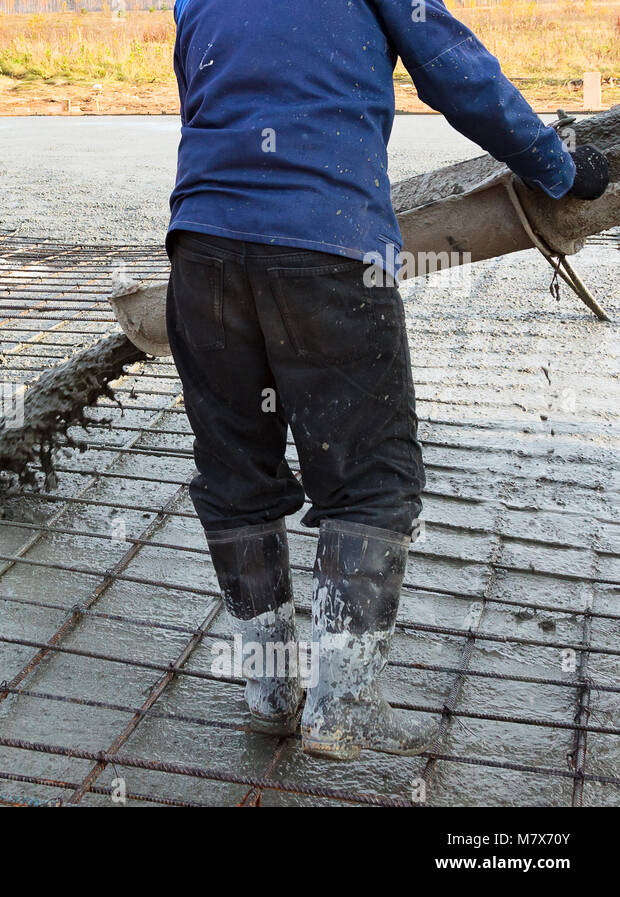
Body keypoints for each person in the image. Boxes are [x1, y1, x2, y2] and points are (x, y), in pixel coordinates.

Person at [167, 0, 611, 760]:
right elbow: (460, 76)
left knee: (235, 477)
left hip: (200, 256)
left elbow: (207, 95)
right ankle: (342, 712)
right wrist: (563, 168)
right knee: (371, 481)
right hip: (329, 255)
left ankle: (271, 696)